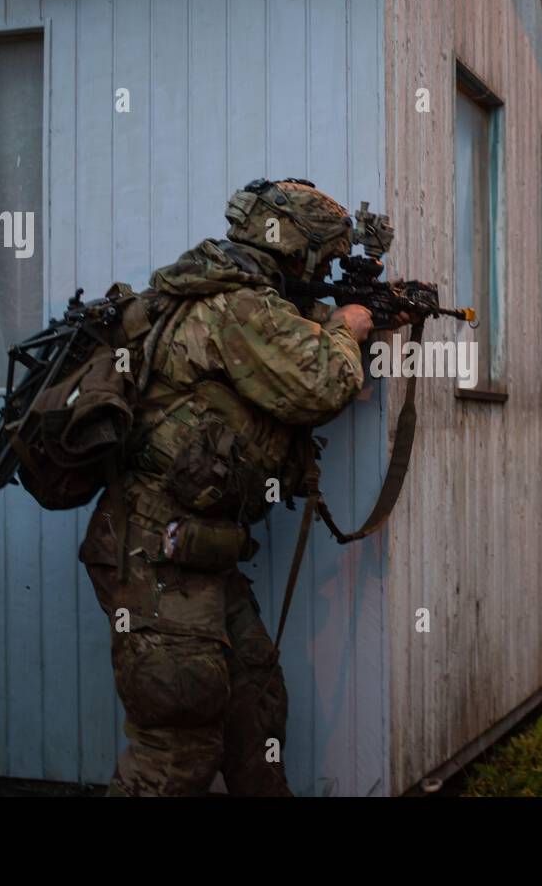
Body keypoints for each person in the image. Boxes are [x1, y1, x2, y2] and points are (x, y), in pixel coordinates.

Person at [78, 178, 386, 796]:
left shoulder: (236, 298)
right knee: (178, 741)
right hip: (156, 554)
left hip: (201, 552)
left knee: (253, 705)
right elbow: (322, 383)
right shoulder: (241, 307)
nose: (320, 271)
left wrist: (335, 321)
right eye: (320, 258)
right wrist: (348, 327)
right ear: (295, 249)